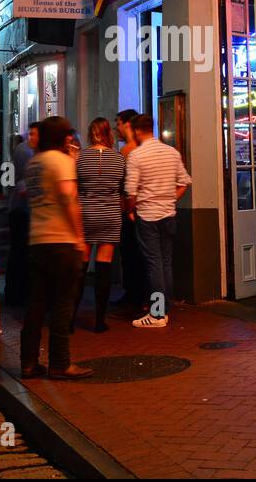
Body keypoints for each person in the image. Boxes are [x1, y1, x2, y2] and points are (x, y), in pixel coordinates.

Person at [19, 116, 93, 380]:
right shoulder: (61, 162)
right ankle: (60, 363)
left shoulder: (34, 163)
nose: (71, 138)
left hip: (38, 239)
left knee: (37, 303)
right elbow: (69, 200)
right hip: (61, 240)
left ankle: (28, 362)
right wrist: (80, 238)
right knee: (63, 303)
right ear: (61, 137)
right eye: (68, 134)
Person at [125, 113, 191, 328]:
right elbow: (184, 182)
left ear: (136, 131)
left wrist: (130, 210)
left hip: (148, 215)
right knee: (165, 263)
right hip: (169, 215)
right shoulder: (171, 152)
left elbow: (130, 191)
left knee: (154, 264)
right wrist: (171, 198)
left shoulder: (137, 155)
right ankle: (164, 309)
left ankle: (157, 314)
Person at [74, 118, 127, 333]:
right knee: (104, 267)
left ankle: (69, 318)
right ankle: (99, 320)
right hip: (110, 214)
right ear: (108, 133)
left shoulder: (81, 157)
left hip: (87, 214)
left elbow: (76, 186)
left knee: (81, 267)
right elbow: (122, 187)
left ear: (90, 133)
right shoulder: (119, 159)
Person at [114, 109, 145, 307]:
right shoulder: (131, 149)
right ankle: (134, 293)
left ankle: (136, 295)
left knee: (132, 253)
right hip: (134, 209)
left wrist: (128, 207)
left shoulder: (129, 152)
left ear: (127, 125)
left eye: (118, 123)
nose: (116, 127)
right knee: (133, 254)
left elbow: (125, 184)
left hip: (131, 210)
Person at [4, 123, 37, 306]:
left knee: (17, 252)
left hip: (18, 208)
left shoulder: (19, 151)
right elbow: (21, 183)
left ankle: (14, 291)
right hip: (21, 210)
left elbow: (8, 182)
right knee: (20, 252)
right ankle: (17, 292)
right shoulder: (25, 151)